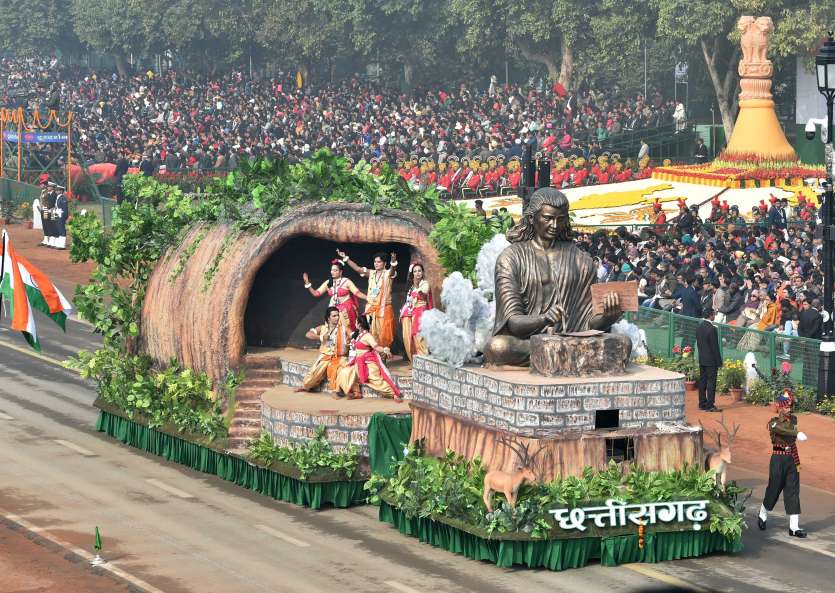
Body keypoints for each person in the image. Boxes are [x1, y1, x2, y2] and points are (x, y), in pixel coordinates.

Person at [484, 187, 622, 366]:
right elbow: (513, 323)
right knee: (498, 347)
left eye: (560, 219)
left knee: (622, 343)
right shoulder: (511, 258)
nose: (555, 225)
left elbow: (589, 323)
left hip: (572, 339)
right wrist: (544, 318)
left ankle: (557, 354)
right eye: (548, 218)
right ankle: (566, 356)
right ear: (532, 218)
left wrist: (608, 316)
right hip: (530, 342)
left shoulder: (581, 260)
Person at [758, 390, 808, 538]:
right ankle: (763, 513)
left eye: (791, 406)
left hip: (792, 459)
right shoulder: (773, 423)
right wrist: (796, 433)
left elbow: (789, 429)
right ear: (780, 407)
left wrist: (794, 432)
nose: (789, 409)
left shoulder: (793, 419)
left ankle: (794, 527)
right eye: (786, 406)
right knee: (774, 489)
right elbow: (782, 429)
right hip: (778, 459)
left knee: (793, 491)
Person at [337, 249, 397, 348]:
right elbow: (358, 269)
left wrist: (393, 262)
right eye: (375, 262)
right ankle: (372, 352)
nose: (376, 264)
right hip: (370, 308)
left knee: (383, 334)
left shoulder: (388, 274)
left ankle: (382, 353)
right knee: (370, 331)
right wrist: (346, 258)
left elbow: (392, 270)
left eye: (379, 262)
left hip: (383, 309)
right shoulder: (371, 273)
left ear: (385, 263)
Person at [336, 315, 402, 401]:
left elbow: (376, 347)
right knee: (345, 371)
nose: (355, 324)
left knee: (375, 379)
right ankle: (356, 392)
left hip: (367, 362)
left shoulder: (368, 336)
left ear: (359, 324)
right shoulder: (358, 335)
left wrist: (385, 350)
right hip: (357, 362)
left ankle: (393, 394)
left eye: (356, 322)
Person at [302, 259, 366, 331]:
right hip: (333, 309)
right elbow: (316, 293)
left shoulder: (346, 281)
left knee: (347, 330)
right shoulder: (328, 282)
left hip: (346, 309)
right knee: (333, 330)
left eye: (335, 270)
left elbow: (357, 293)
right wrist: (307, 283)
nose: (332, 272)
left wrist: (368, 298)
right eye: (332, 270)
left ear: (341, 272)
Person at [296, 307, 349, 393]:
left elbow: (353, 336)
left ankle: (341, 391)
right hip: (325, 356)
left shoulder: (343, 328)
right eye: (334, 316)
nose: (337, 317)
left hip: (339, 356)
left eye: (338, 315)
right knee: (313, 375)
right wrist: (321, 337)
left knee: (344, 370)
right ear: (328, 318)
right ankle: (306, 387)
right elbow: (308, 334)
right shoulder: (322, 328)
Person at [400, 263, 433, 362]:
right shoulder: (411, 287)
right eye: (415, 271)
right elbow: (408, 300)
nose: (417, 273)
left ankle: (424, 360)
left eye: (419, 271)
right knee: (409, 338)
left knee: (419, 336)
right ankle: (414, 362)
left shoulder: (425, 284)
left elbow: (423, 293)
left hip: (420, 312)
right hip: (410, 313)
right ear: (412, 273)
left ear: (422, 272)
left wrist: (417, 291)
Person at [695, 311, 722, 411]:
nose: (714, 316)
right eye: (714, 314)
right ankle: (710, 405)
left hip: (702, 359)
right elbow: (715, 347)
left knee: (702, 381)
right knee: (711, 382)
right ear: (710, 316)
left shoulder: (699, 327)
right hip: (711, 360)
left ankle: (702, 403)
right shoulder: (712, 329)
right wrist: (719, 361)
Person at [52, 185, 69, 250]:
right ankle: (59, 243)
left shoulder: (63, 198)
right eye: (56, 190)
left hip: (61, 215)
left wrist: (64, 216)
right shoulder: (58, 197)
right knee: (58, 229)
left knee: (61, 229)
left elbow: (65, 209)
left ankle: (62, 245)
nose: (56, 191)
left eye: (58, 190)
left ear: (61, 191)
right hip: (57, 214)